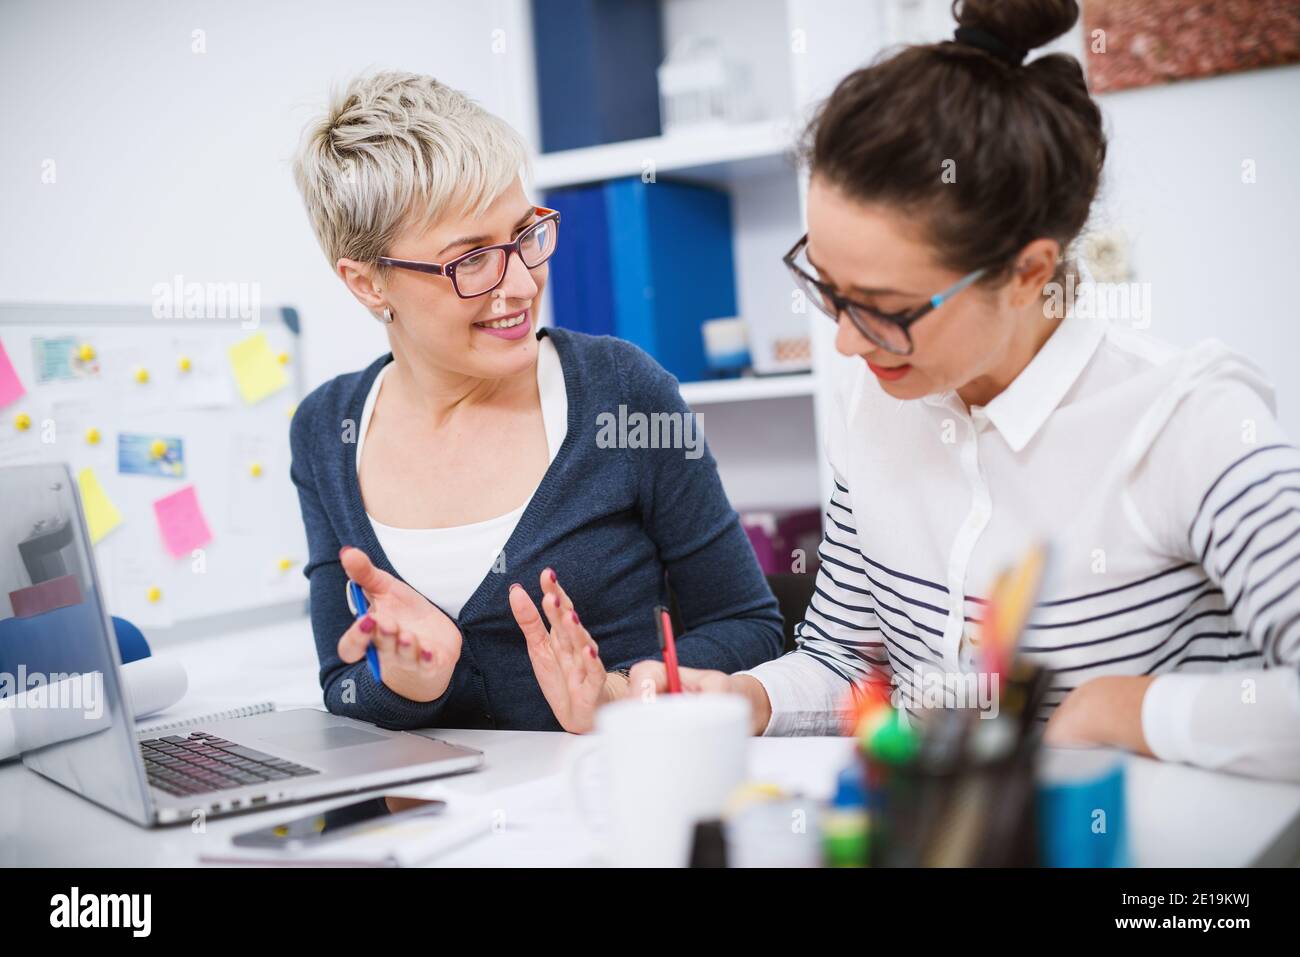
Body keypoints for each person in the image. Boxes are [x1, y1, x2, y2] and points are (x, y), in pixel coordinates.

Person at [622, 0, 1300, 781]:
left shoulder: (1187, 422)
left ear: (1028, 272)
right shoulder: (878, 401)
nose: (845, 341)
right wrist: (747, 698)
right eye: (829, 289)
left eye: (881, 308)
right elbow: (848, 665)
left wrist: (1123, 709)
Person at [288, 72, 782, 733]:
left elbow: (748, 625)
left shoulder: (625, 392)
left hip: (609, 800)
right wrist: (410, 681)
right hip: (425, 826)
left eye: (526, 234)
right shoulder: (327, 430)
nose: (521, 283)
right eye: (471, 261)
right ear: (367, 282)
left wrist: (624, 692)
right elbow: (342, 687)